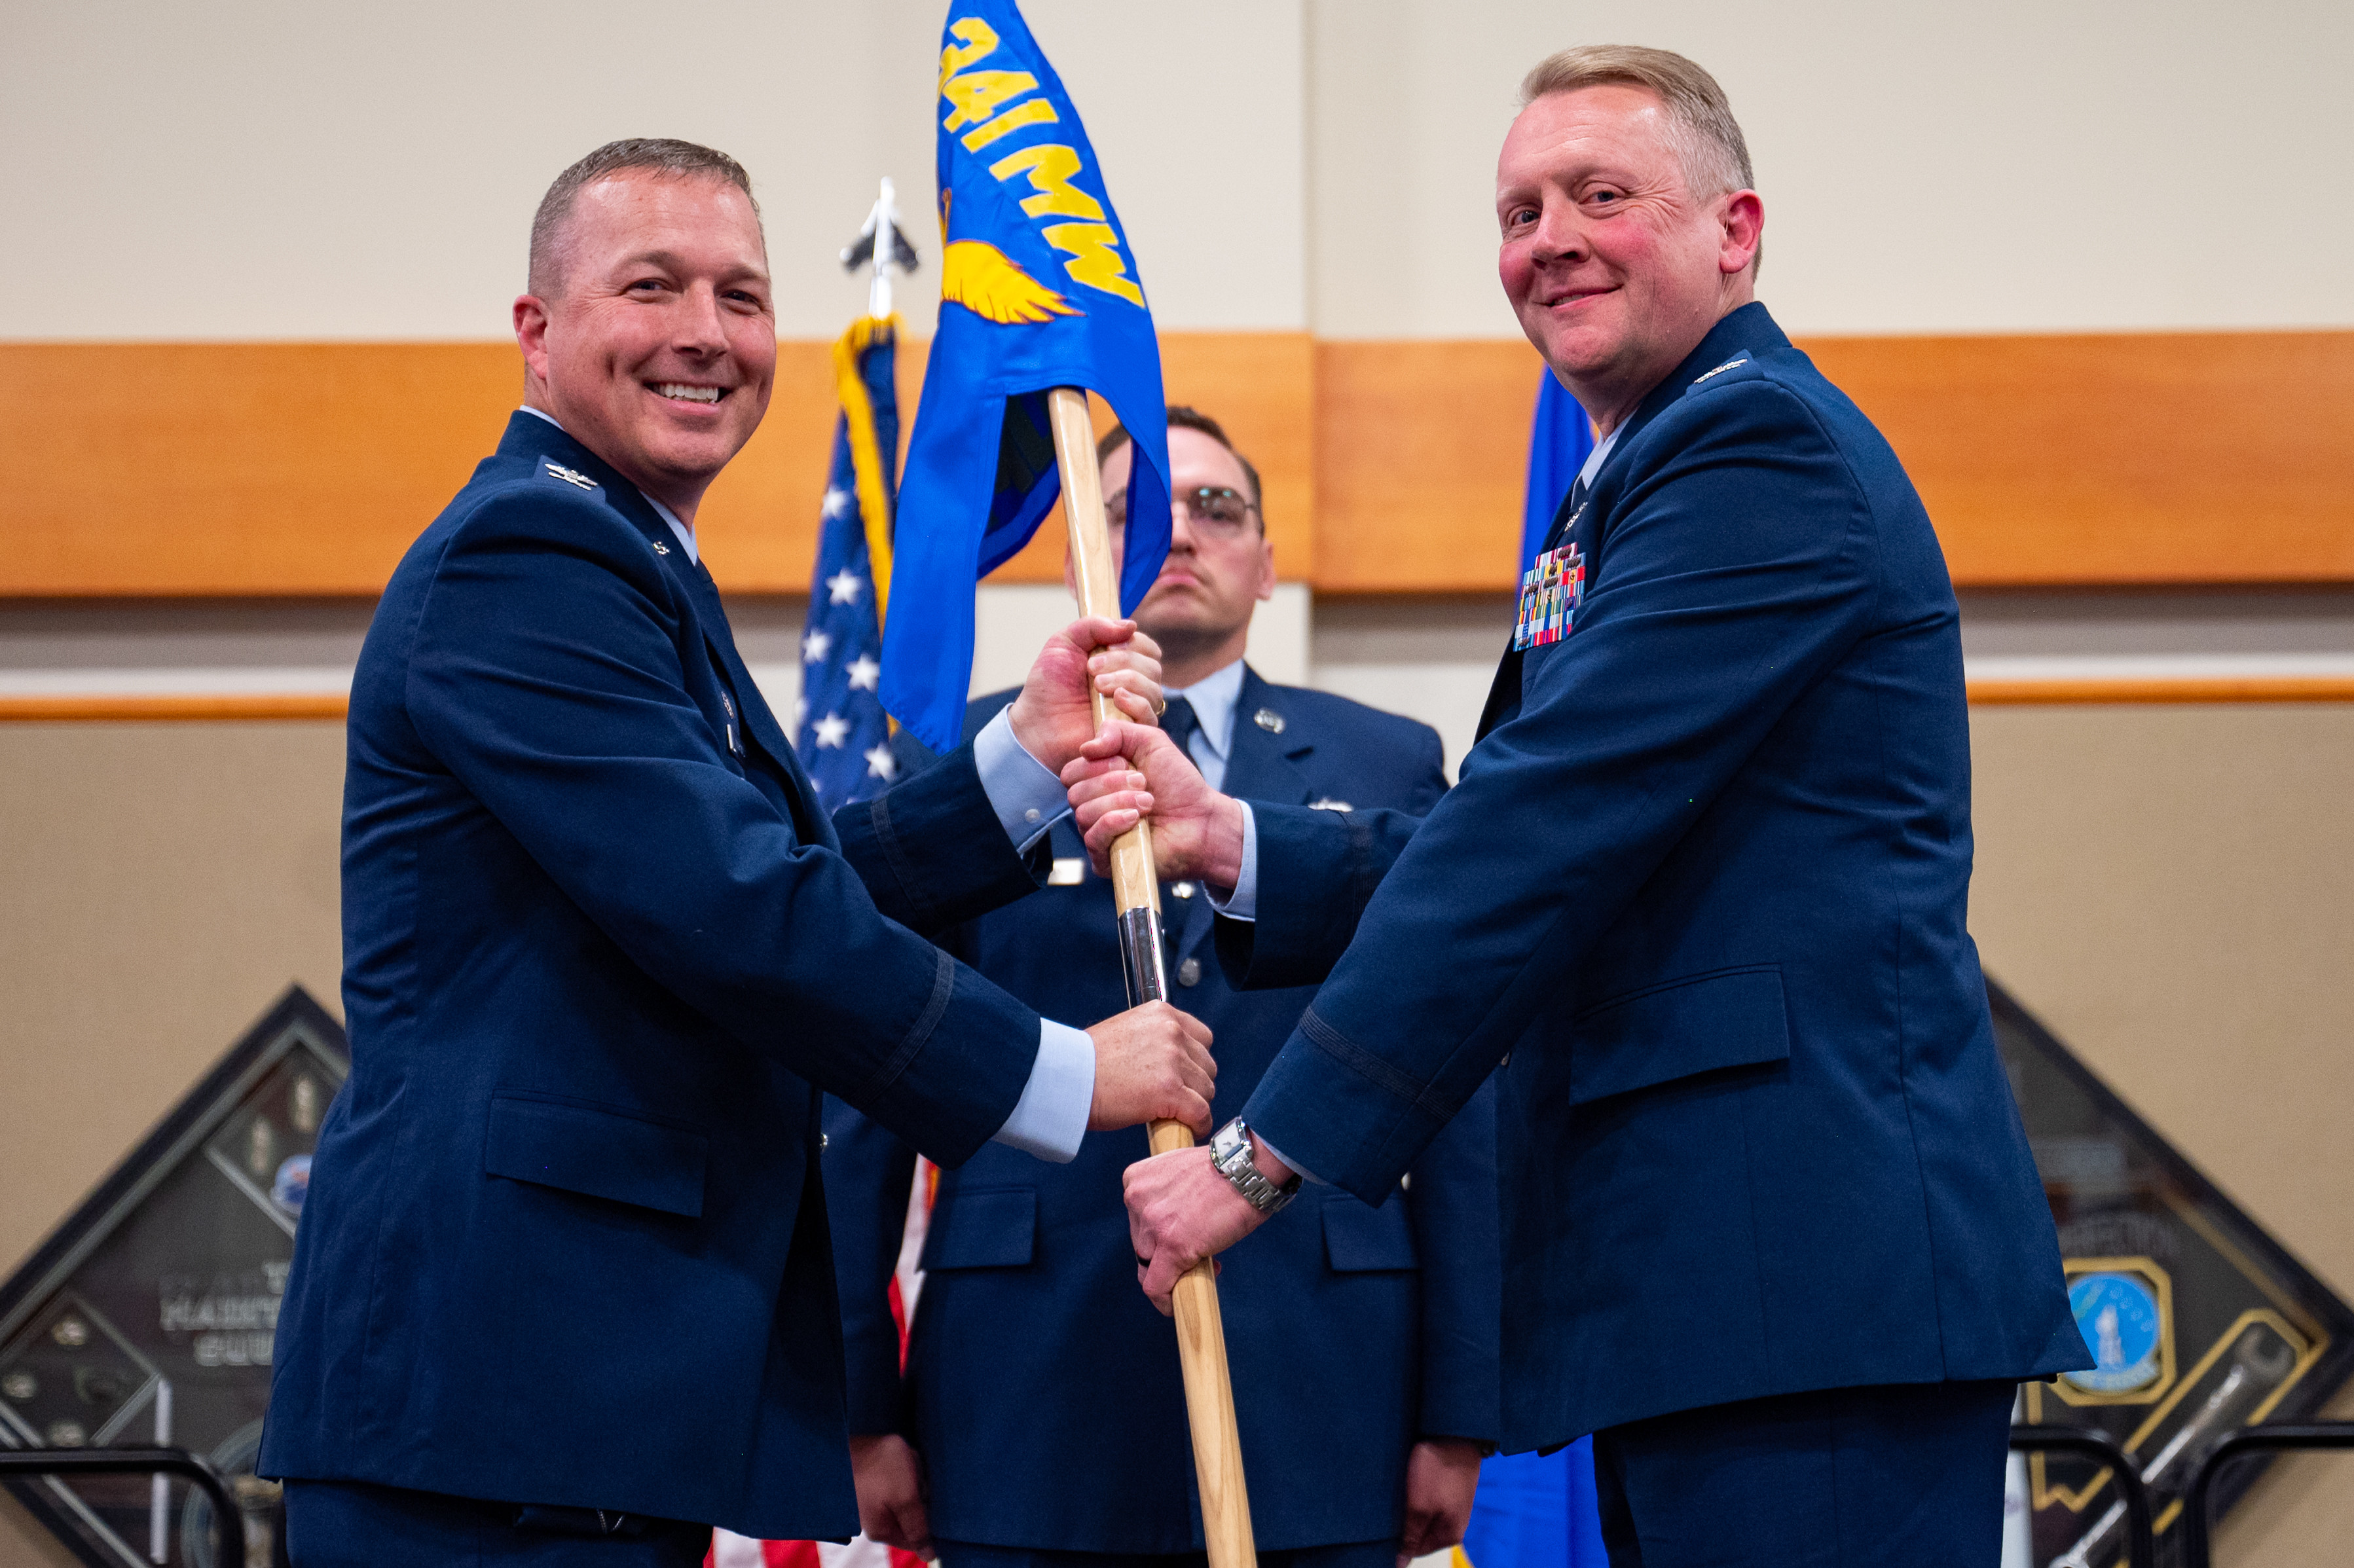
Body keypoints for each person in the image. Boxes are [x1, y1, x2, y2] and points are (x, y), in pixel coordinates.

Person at [1071, 49, 2092, 1567]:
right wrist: (1233, 840)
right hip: (1710, 1288)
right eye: (1517, 207)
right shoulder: (1642, 470)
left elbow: (1542, 834)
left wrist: (1252, 1159)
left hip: (1805, 1286)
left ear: (1734, 231)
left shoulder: (1757, 449)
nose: (1546, 236)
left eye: (1600, 196)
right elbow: (1539, 824)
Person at [258, 138, 1220, 1567]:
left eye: (741, 295)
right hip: (492, 1406)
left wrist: (1023, 757)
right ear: (536, 331)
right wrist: (1066, 1075)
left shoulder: (635, 562)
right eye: (652, 287)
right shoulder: (529, 556)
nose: (707, 335)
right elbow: (739, 911)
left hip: (577, 1407)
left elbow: (772, 865)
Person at [824, 409, 1498, 1568]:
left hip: (1325, 1381)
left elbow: (1455, 1075)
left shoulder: (1386, 762)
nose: (1178, 533)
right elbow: (871, 1069)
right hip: (1024, 1387)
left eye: (1216, 507)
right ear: (1090, 551)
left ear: (1270, 561)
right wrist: (859, 1400)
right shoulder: (974, 759)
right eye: (1135, 514)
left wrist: (1460, 1406)